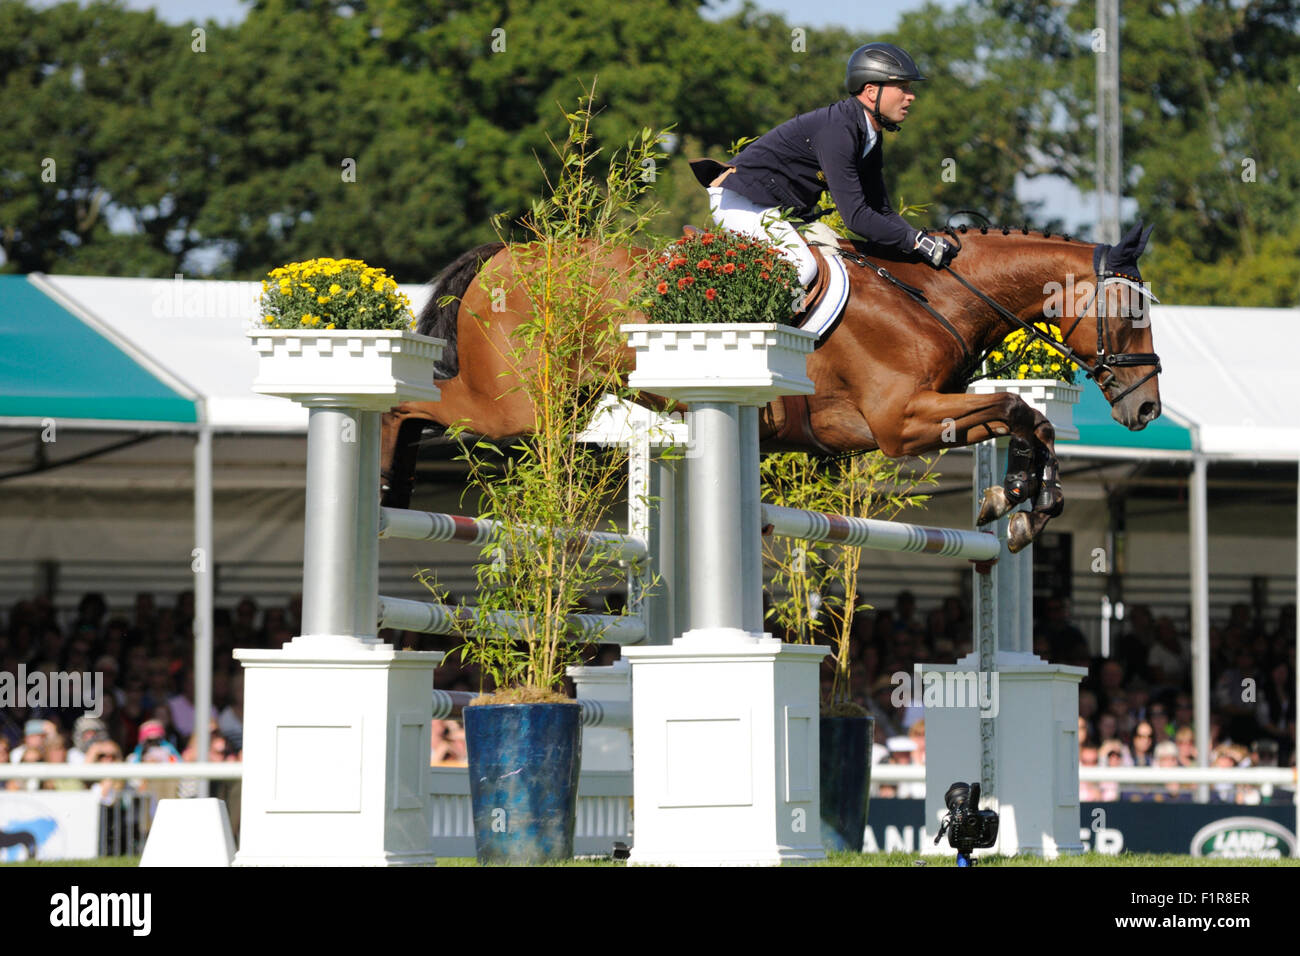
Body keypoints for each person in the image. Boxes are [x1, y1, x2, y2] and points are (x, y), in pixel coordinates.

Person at [702, 42, 957, 335]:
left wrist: (917, 242)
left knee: (837, 255)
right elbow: (857, 217)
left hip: (772, 209)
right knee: (801, 266)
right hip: (741, 201)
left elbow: (881, 209)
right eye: (902, 87)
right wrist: (916, 242)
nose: (911, 96)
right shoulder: (839, 131)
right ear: (872, 91)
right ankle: (740, 339)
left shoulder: (868, 134)